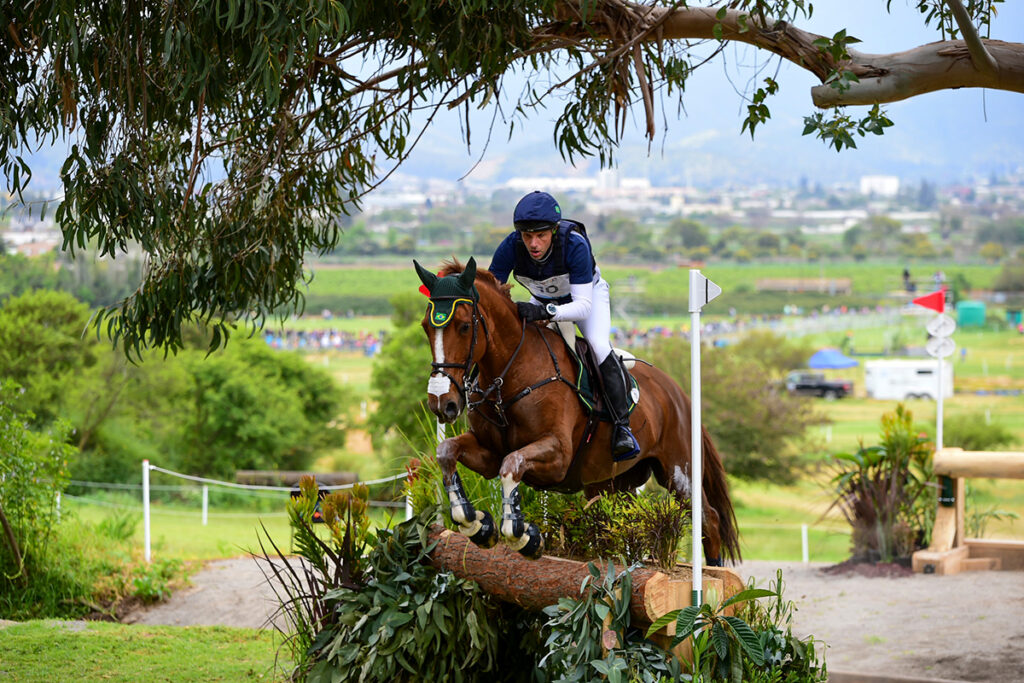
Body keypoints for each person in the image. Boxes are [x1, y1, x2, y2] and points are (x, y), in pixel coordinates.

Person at [489, 191, 640, 461]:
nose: (533, 244)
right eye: (527, 236)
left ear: (554, 230)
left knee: (597, 345)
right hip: (543, 300)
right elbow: (491, 293)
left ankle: (622, 428)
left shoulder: (574, 245)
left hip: (585, 299)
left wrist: (545, 312)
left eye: (541, 235)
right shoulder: (510, 246)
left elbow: (583, 306)